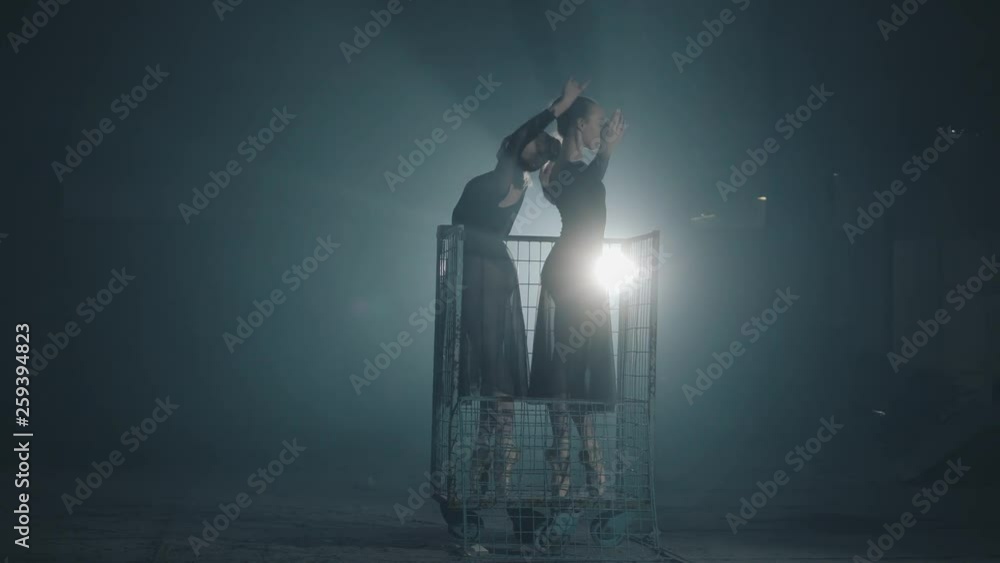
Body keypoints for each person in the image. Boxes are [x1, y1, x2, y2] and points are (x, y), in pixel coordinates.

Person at [451, 78, 589, 495]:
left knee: (491, 360)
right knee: (490, 357)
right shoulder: (513, 179)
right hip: (491, 269)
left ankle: (500, 447)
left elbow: (518, 138)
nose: (515, 140)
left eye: (527, 141)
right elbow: (519, 138)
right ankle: (493, 445)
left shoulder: (508, 174)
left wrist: (558, 108)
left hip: (483, 269)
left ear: (527, 152)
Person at [529, 96, 627, 497]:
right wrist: (607, 151)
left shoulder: (578, 170)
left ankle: (581, 460)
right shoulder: (559, 171)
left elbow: (589, 185)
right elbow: (580, 188)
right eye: (598, 122)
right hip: (571, 274)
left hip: (582, 273)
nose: (603, 129)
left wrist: (604, 152)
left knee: (575, 367)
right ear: (579, 126)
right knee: (566, 368)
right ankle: (570, 466)